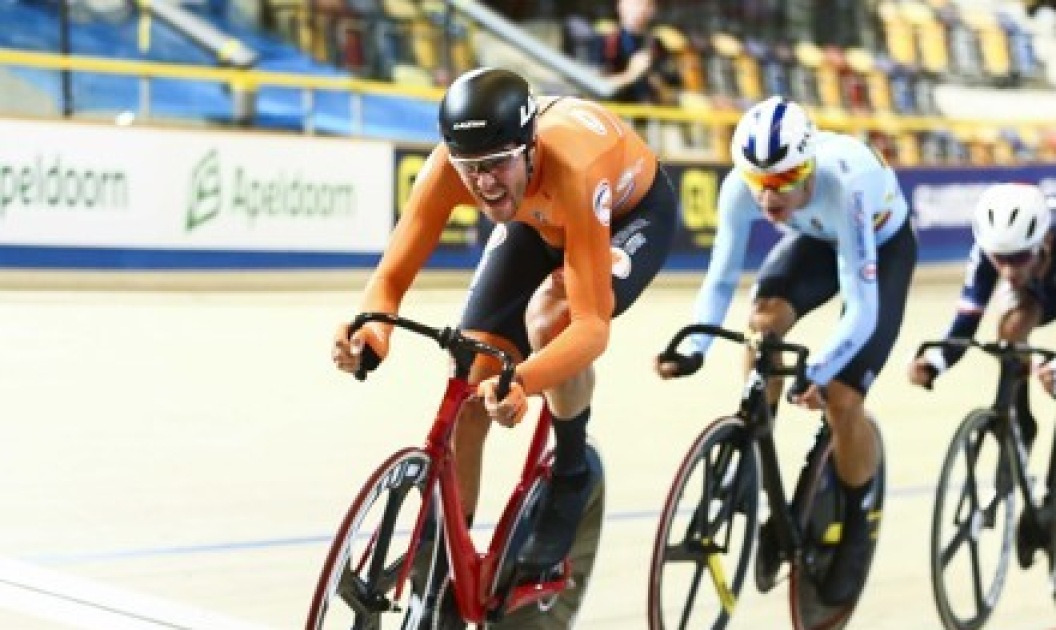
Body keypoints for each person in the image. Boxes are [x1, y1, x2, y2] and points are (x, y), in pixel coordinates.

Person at [331, 67, 678, 581]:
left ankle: (571, 472)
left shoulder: (572, 166)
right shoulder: (452, 169)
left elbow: (590, 327)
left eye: (496, 165)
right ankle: (443, 571)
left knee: (553, 317)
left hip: (628, 216)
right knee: (470, 372)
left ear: (529, 147)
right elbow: (390, 278)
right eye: (470, 167)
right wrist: (372, 333)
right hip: (539, 220)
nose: (483, 182)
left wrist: (524, 380)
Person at [655, 95, 917, 606]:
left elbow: (861, 309)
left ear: (808, 166)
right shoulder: (743, 184)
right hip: (816, 241)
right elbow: (722, 277)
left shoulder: (848, 184)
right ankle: (757, 433)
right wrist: (697, 346)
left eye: (780, 182)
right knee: (763, 324)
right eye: (758, 184)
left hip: (880, 250)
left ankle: (857, 522)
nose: (767, 198)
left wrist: (819, 370)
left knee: (842, 397)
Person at [908, 183, 1056, 598]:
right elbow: (964, 323)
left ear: (1044, 240)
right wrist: (936, 362)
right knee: (1009, 327)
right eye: (1001, 260)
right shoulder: (994, 249)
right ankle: (1020, 419)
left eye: (1018, 259)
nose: (1008, 270)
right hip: (1045, 280)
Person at [597, 0, 678, 104]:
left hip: (650, 114)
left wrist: (660, 86)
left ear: (652, 9)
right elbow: (594, 85)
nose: (639, 9)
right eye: (633, 3)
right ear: (620, 6)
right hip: (616, 112)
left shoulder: (658, 44)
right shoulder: (605, 41)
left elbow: (672, 90)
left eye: (644, 4)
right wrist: (630, 75)